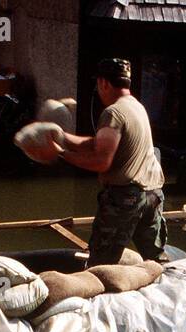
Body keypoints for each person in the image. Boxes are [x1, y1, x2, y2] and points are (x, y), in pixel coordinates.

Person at [54, 58, 168, 267]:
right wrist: (62, 137)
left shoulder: (113, 113)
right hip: (152, 194)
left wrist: (60, 154)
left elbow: (101, 161)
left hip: (126, 198)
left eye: (98, 84)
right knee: (155, 259)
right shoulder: (136, 106)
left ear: (104, 83)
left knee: (101, 263)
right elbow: (100, 144)